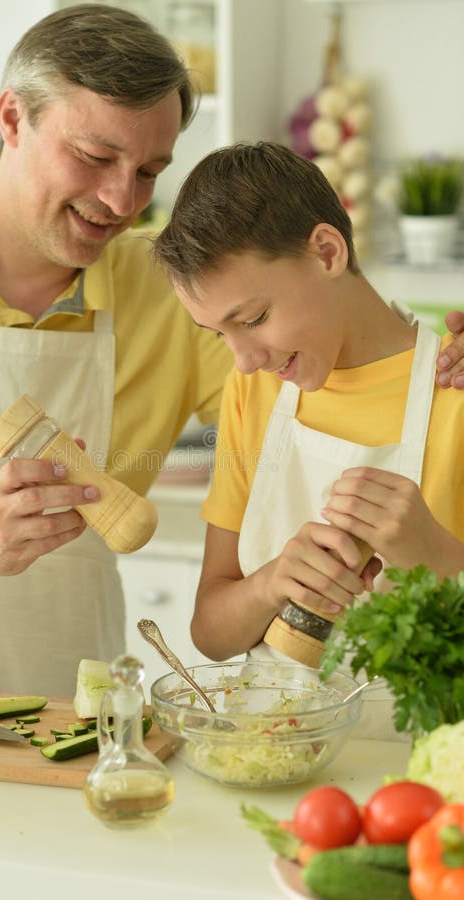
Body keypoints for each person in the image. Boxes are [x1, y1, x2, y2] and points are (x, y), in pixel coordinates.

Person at [0, 5, 233, 696]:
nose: (122, 199)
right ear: (11, 118)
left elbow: (313, 392)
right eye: (95, 157)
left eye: (150, 170)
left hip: (75, 720)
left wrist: (422, 359)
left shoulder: (169, 289)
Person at [153, 141, 464, 740]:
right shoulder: (257, 394)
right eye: (220, 333)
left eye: (255, 319)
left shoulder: (454, 386)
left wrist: (438, 558)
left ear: (327, 251)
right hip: (270, 754)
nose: (244, 360)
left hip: (421, 776)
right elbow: (210, 633)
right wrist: (272, 582)